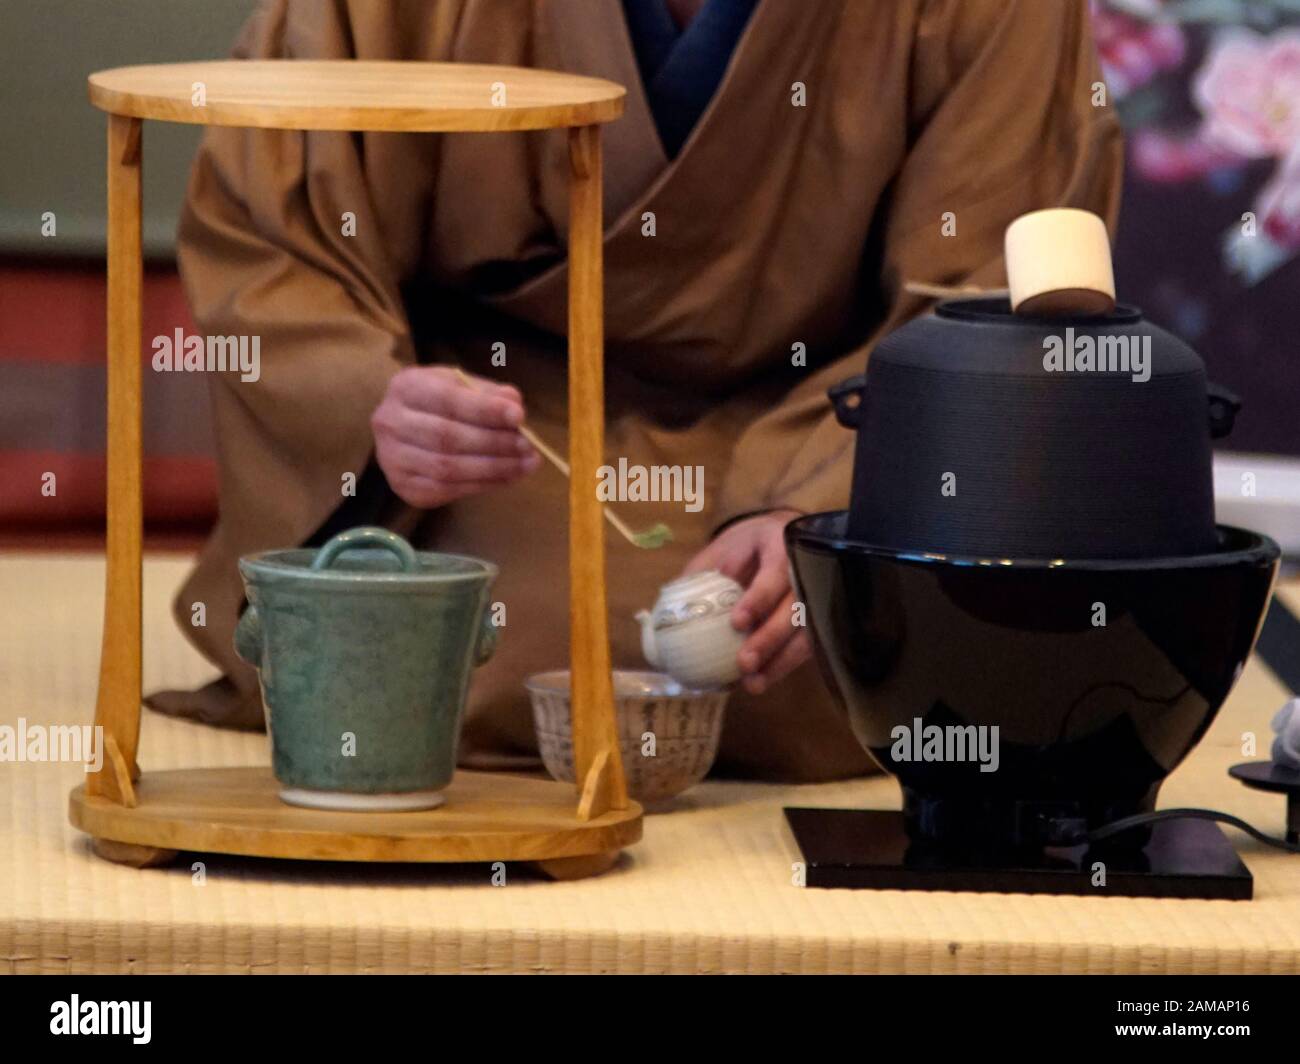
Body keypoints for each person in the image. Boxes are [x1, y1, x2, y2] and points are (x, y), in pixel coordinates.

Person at [147, 0, 1123, 781]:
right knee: (496, 615)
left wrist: (822, 501)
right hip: (493, 443)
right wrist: (375, 400)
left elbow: (989, 293)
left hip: (824, 418)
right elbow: (276, 218)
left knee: (817, 618)